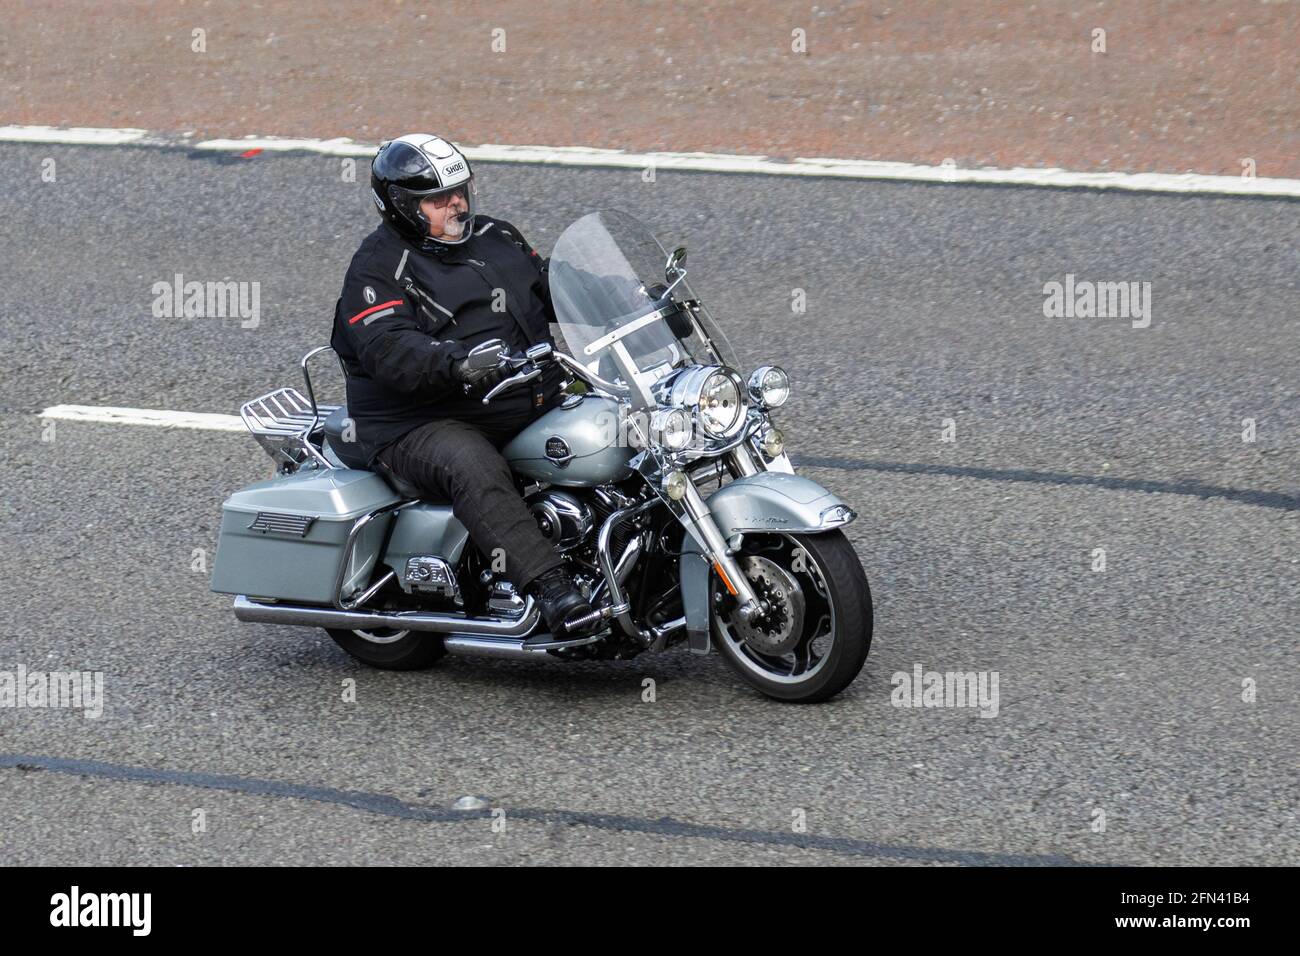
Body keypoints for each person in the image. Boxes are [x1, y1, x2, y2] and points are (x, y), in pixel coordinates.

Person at [330, 132, 593, 640]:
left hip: (522, 396)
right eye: (437, 197)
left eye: (460, 190)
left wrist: (635, 300)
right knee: (472, 464)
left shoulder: (497, 237)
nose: (456, 203)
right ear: (402, 206)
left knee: (616, 425)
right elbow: (389, 349)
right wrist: (458, 363)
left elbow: (559, 288)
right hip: (417, 422)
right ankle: (554, 592)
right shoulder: (378, 268)